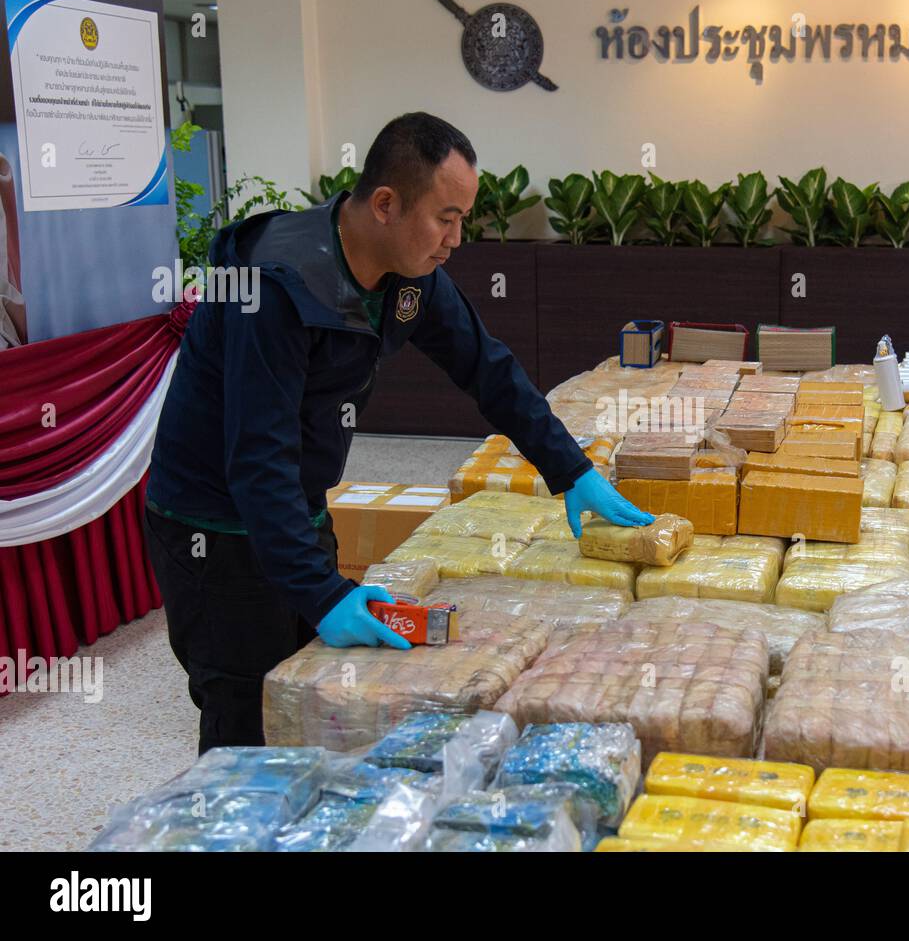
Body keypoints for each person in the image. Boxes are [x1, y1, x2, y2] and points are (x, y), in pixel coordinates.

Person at [144, 113, 651, 754]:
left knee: (310, 690)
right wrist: (323, 591)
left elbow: (487, 369)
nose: (456, 239)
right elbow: (258, 456)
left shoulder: (408, 279)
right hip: (212, 527)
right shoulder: (275, 285)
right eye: (446, 217)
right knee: (247, 717)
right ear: (385, 204)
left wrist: (571, 470)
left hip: (291, 506)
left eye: (463, 219)